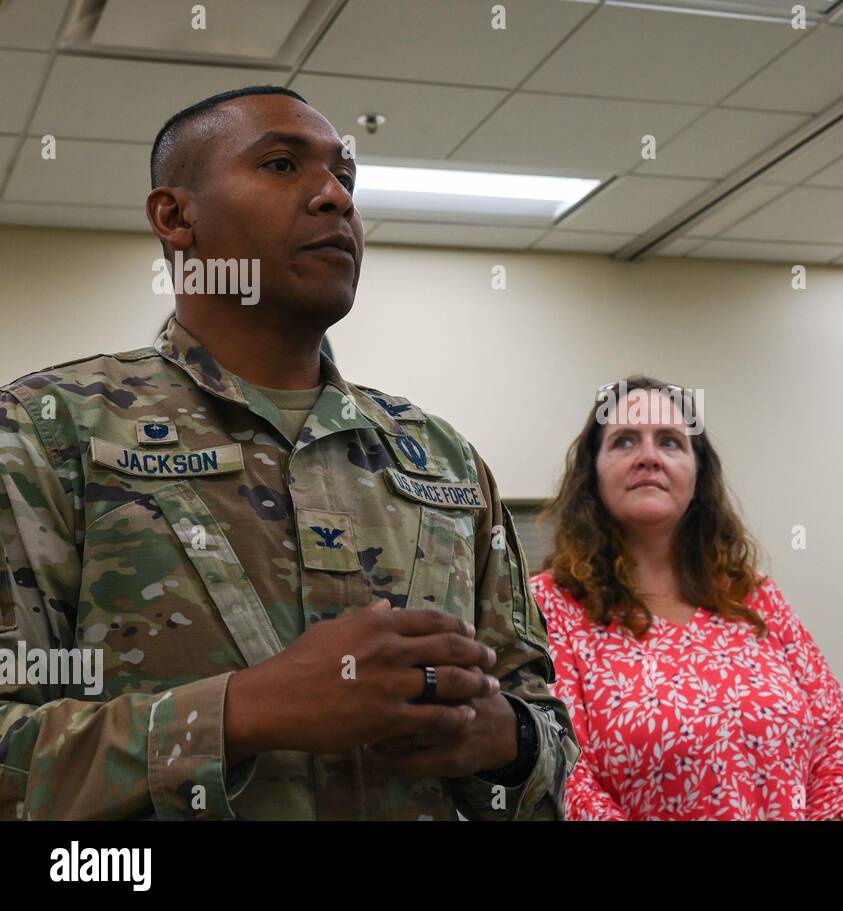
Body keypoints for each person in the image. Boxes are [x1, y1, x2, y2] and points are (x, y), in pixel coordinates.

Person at [0, 85, 577, 819]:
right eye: (280, 165)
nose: (335, 196)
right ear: (176, 217)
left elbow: (543, 738)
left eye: (347, 178)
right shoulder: (47, 433)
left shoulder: (441, 459)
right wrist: (239, 713)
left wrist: (508, 742)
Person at [529, 376, 843, 820]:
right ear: (592, 472)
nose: (648, 457)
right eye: (625, 441)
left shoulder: (754, 596)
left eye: (670, 442)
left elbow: (836, 750)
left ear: (698, 474)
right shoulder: (552, 606)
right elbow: (564, 778)